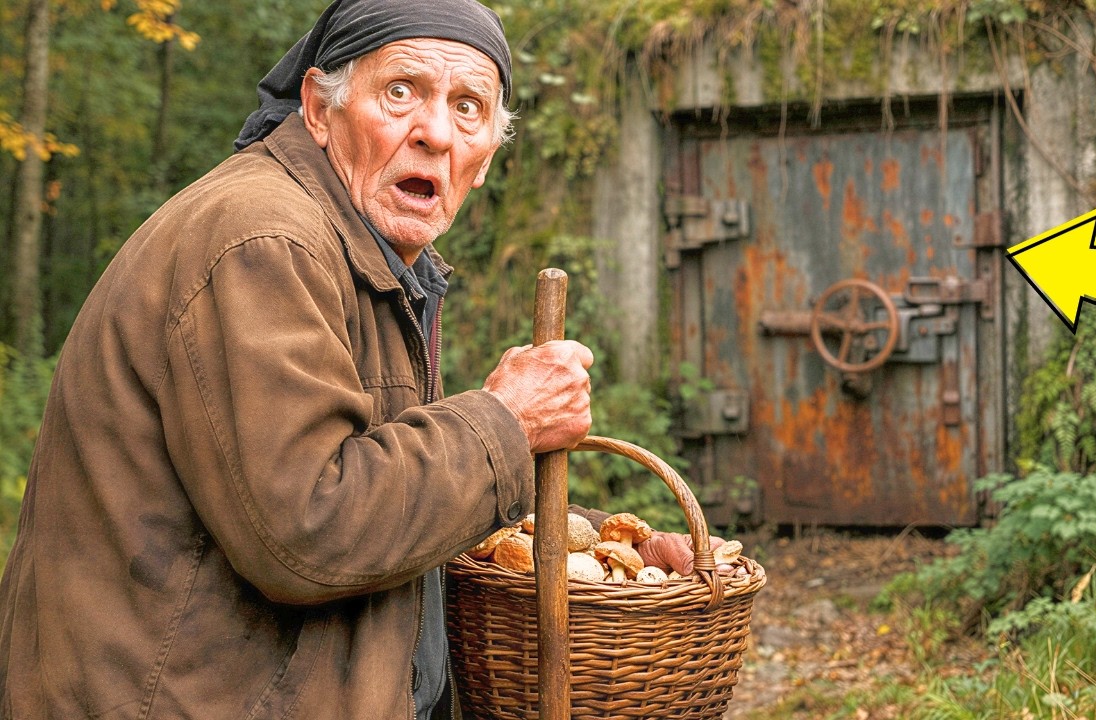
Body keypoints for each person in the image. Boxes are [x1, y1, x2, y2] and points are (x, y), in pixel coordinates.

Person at [0, 1, 695, 717]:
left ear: (486, 156)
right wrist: (506, 424)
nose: (433, 133)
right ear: (319, 109)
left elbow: (380, 486)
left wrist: (611, 556)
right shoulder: (264, 239)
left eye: (468, 107)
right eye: (401, 91)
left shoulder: (367, 259)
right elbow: (308, 528)